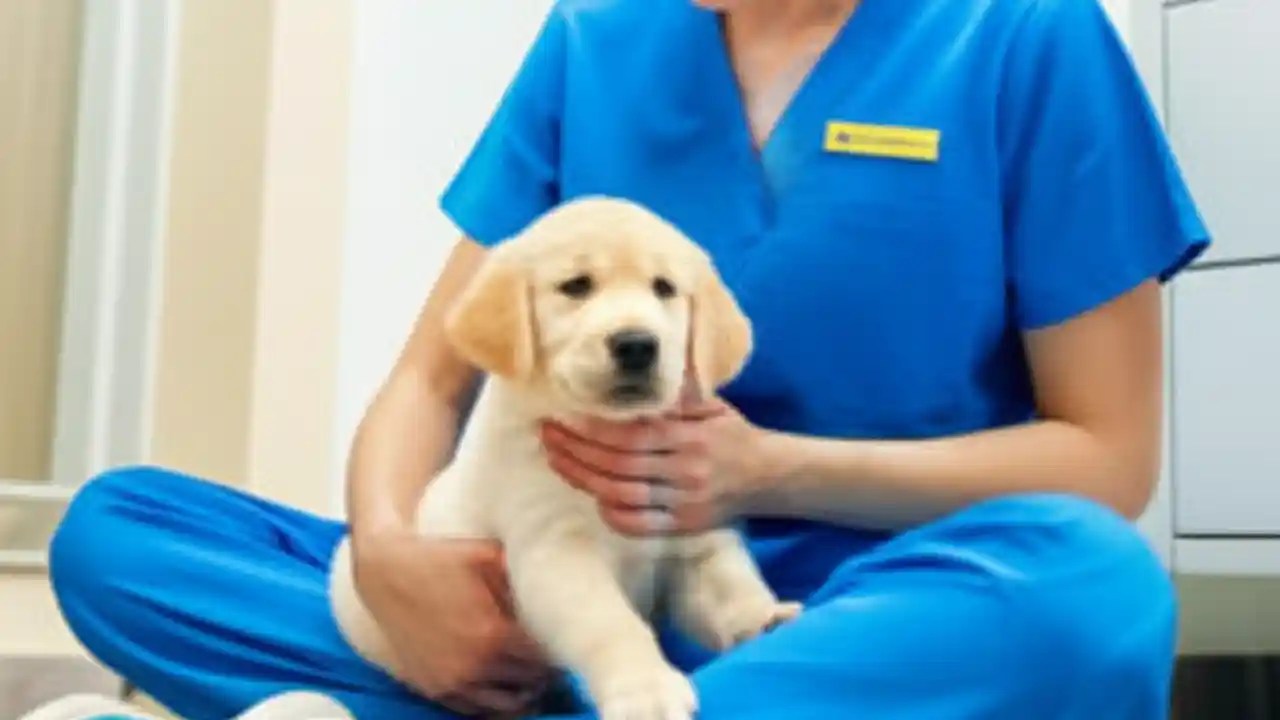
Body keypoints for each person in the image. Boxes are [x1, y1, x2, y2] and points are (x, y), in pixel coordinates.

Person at [49, 0, 1210, 717]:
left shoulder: (1021, 35)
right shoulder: (593, 37)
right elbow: (431, 380)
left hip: (858, 608)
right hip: (537, 597)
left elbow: (1103, 459)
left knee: (1088, 590)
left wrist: (765, 472)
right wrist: (399, 562)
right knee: (120, 529)